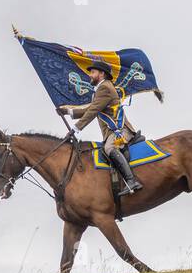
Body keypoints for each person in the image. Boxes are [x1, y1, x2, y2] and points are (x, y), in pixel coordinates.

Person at [61, 60, 143, 195]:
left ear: (102, 74)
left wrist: (74, 130)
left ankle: (131, 180)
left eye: (93, 72)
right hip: (111, 132)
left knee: (110, 148)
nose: (90, 75)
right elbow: (92, 108)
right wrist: (69, 111)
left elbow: (93, 111)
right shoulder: (102, 88)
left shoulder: (105, 87)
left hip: (120, 131)